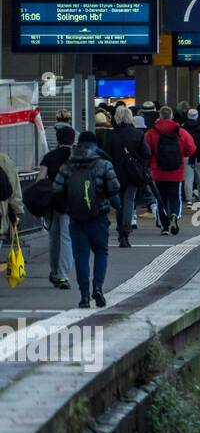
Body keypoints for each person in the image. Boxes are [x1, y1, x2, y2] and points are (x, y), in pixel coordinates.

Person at [52, 130, 121, 308]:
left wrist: (67, 206)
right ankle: (97, 287)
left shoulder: (67, 165)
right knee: (101, 252)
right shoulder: (104, 164)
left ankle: (84, 296)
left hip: (76, 218)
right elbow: (114, 188)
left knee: (81, 256)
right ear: (95, 145)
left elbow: (57, 189)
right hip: (99, 217)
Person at [145, 106, 197, 236]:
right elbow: (191, 148)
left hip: (158, 171)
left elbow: (145, 150)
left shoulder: (151, 132)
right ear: (172, 116)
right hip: (176, 170)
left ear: (160, 116)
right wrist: (182, 155)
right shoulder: (181, 132)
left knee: (160, 198)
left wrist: (151, 162)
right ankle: (174, 214)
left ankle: (164, 227)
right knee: (175, 196)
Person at [105, 105, 151, 249]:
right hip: (133, 173)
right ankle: (125, 232)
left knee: (119, 202)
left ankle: (120, 229)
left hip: (115, 173)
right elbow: (146, 153)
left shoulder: (111, 135)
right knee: (129, 201)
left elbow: (106, 154)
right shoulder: (137, 134)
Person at [39, 124, 76, 289]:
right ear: (73, 139)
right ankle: (63, 275)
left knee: (53, 238)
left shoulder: (49, 156)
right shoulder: (76, 157)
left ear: (58, 139)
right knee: (67, 237)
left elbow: (40, 180)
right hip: (70, 202)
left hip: (51, 202)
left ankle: (54, 273)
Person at [182, 107, 200, 210]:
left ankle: (189, 200)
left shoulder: (182, 128)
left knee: (188, 179)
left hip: (186, 155)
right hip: (199, 155)